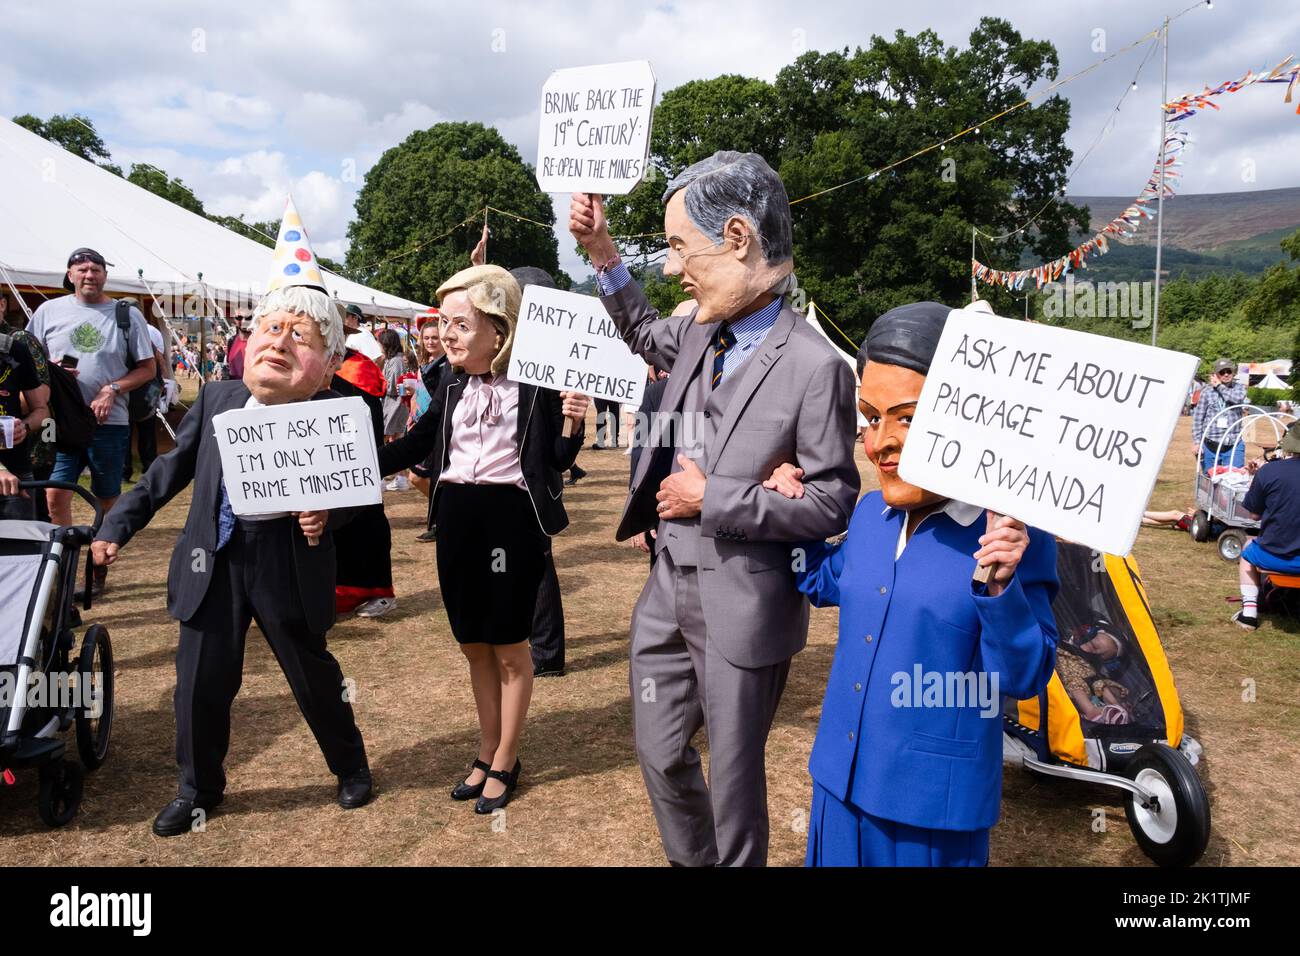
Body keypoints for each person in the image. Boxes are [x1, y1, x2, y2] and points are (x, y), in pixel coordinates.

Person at [569, 150, 861, 867]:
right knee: (659, 752)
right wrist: (602, 252)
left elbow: (833, 501)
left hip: (746, 606)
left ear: (737, 238)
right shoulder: (698, 329)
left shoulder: (816, 367)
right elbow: (641, 330)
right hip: (666, 586)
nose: (672, 269)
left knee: (733, 782)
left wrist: (719, 499)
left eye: (678, 248)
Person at [91, 201, 373, 835]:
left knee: (313, 676)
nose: (280, 343)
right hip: (209, 561)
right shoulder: (218, 397)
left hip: (286, 564)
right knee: (199, 684)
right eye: (272, 330)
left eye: (300, 337)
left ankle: (350, 765)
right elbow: (168, 471)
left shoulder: (340, 413)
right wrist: (114, 528)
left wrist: (328, 512)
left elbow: (359, 492)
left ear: (327, 366)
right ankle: (197, 787)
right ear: (249, 343)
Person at [767, 301, 1059, 867]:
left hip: (929, 812)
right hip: (838, 783)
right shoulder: (874, 518)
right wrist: (788, 511)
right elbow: (822, 580)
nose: (880, 444)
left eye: (907, 417)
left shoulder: (1012, 532)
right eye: (873, 418)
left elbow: (1024, 678)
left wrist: (1000, 591)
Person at [379, 265, 588, 813]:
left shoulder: (537, 382)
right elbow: (414, 446)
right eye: (442, 322)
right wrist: (348, 461)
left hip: (510, 521)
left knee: (511, 648)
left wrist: (573, 421)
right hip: (456, 517)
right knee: (473, 642)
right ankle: (486, 748)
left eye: (459, 324)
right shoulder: (447, 383)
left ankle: (507, 759)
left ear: (499, 329)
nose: (445, 333)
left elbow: (560, 461)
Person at [27, 248, 156, 598]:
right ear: (69, 274)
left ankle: (97, 566)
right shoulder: (47, 312)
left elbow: (148, 369)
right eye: (82, 268)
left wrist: (113, 388)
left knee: (108, 501)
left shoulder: (126, 314)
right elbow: (29, 362)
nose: (90, 274)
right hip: (61, 422)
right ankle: (63, 573)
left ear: (105, 275)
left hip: (109, 423)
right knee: (55, 497)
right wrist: (51, 370)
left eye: (96, 269)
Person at [331, 303, 398, 618]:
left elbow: (371, 424)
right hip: (322, 463)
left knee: (364, 523)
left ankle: (377, 590)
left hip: (357, 458)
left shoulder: (358, 368)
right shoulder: (305, 365)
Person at [1234, 424, 1300, 629]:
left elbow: (1254, 513)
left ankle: (1249, 615)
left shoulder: (1270, 470)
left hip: (1273, 555)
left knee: (1247, 551)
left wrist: (1256, 478)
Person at [0, 307, 51, 519]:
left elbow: (41, 410)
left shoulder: (14, 348)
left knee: (21, 549)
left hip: (17, 475)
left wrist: (25, 426)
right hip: (5, 474)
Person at [122, 301, 168, 482]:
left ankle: (129, 471)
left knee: (131, 431)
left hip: (141, 387)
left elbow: (158, 359)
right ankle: (146, 469)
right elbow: (161, 360)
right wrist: (163, 383)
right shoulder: (150, 332)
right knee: (144, 431)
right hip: (143, 387)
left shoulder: (142, 332)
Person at [1192, 358, 1247, 473]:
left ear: (1233, 372)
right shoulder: (1207, 391)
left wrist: (1219, 386)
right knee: (1209, 480)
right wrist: (1197, 442)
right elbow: (1198, 418)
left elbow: (1236, 399)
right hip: (1210, 444)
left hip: (1233, 443)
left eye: (1229, 371)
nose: (1226, 374)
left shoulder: (1239, 388)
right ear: (1216, 374)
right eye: (1222, 372)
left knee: (1234, 479)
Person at [378, 328, 411, 491]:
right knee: (393, 440)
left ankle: (396, 477)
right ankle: (400, 476)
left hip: (396, 405)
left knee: (391, 439)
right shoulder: (393, 360)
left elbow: (395, 386)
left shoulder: (396, 361)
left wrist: (380, 384)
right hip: (394, 404)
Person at [226, 315, 251, 380]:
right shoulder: (231, 341)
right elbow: (229, 366)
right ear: (234, 319)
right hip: (233, 387)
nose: (243, 321)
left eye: (248, 318)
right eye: (239, 318)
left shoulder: (260, 342)